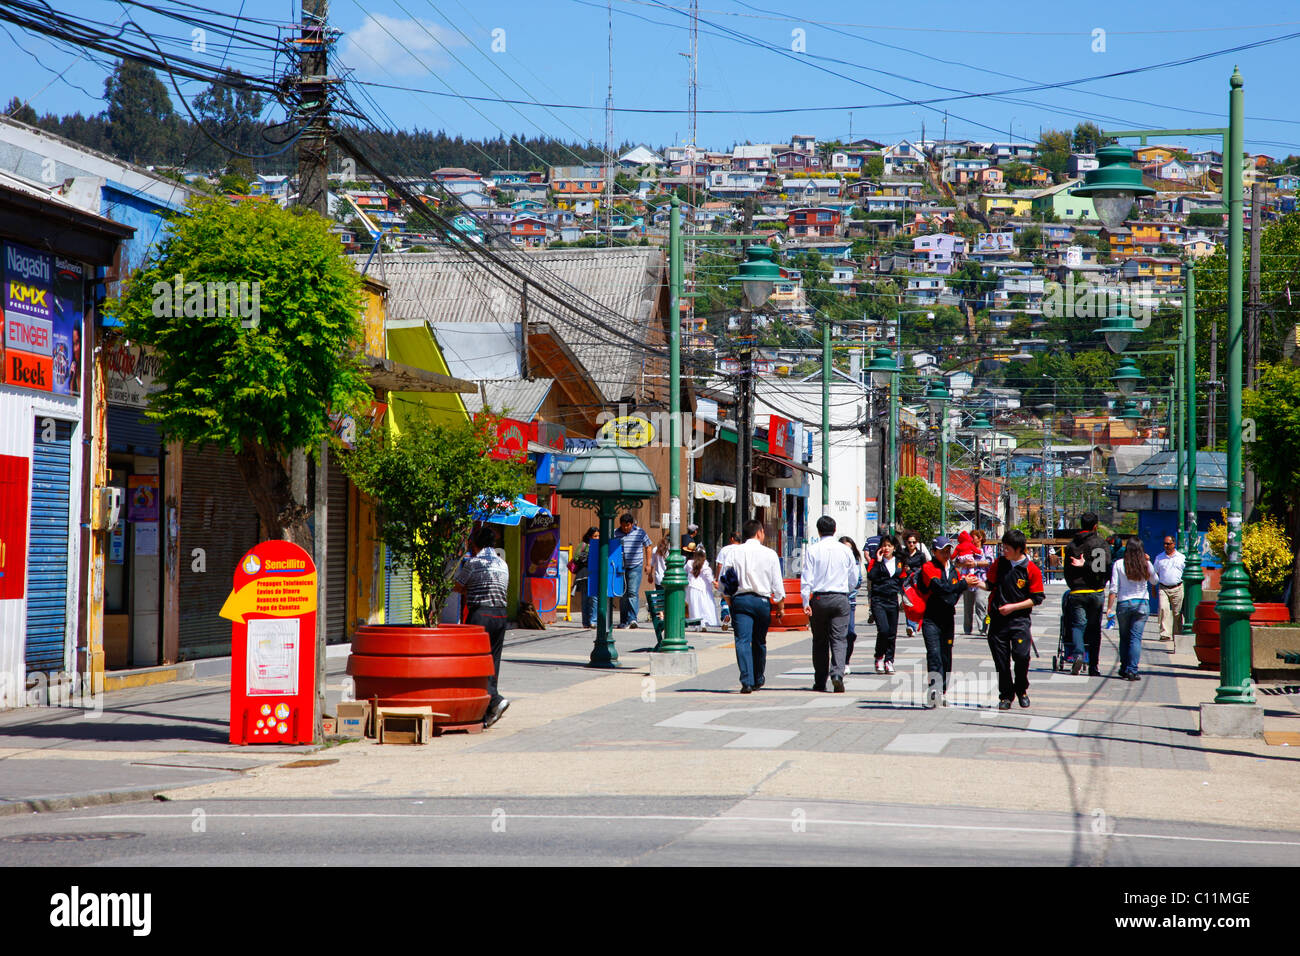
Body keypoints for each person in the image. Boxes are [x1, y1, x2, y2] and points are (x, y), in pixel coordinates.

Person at [977, 529, 1045, 710]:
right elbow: (989, 585)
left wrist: (1013, 607)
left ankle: (1021, 689)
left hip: (1019, 621)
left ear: (1019, 549)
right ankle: (1006, 696)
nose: (1003, 551)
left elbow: (1036, 598)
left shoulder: (1031, 570)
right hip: (998, 620)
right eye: (1003, 547)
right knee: (1001, 661)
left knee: (1021, 656)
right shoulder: (999, 564)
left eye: (1007, 548)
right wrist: (976, 583)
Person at [453, 525, 512, 729]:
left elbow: (458, 585)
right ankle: (489, 707)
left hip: (481, 615)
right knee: (493, 661)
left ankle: (494, 700)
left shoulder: (474, 562)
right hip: (501, 615)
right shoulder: (502, 563)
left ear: (474, 544)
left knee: (476, 661)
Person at [800, 516, 859, 693]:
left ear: (818, 531)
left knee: (819, 641)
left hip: (819, 599)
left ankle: (820, 681)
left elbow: (806, 578)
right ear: (835, 530)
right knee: (839, 639)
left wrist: (805, 601)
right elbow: (853, 577)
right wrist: (847, 590)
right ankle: (837, 674)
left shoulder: (812, 550)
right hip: (840, 598)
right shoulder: (845, 550)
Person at [917, 536, 977, 707]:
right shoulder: (928, 568)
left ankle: (942, 691)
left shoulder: (954, 572)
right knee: (934, 654)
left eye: (948, 550)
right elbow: (941, 589)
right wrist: (962, 585)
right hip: (931, 619)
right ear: (934, 552)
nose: (946, 554)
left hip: (947, 619)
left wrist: (959, 586)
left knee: (946, 656)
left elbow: (952, 596)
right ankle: (933, 689)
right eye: (942, 551)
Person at [729, 518, 786, 693]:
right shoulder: (769, 554)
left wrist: (731, 603)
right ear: (759, 533)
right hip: (762, 601)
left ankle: (746, 680)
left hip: (740, 600)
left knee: (742, 641)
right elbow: (778, 585)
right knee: (759, 641)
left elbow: (726, 584)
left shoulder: (734, 553)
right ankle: (758, 678)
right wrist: (780, 607)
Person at [1064, 512, 1112, 676]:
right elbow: (1103, 566)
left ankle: (1078, 654)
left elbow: (1067, 570)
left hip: (1077, 590)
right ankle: (1093, 666)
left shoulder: (1072, 545)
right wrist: (1103, 582)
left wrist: (1073, 585)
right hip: (1095, 591)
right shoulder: (1100, 543)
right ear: (1095, 526)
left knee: (1078, 625)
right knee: (1094, 629)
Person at [1106, 537, 1158, 681]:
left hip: (1123, 603)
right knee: (1135, 638)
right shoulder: (1146, 564)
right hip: (1142, 604)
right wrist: (1149, 561)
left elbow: (1113, 588)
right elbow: (1155, 580)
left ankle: (1123, 668)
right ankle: (1132, 670)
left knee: (1124, 638)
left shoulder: (1118, 564)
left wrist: (1109, 608)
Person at [867, 535, 908, 674]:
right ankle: (879, 656)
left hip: (892, 600)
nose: (886, 548)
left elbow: (903, 579)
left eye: (889, 546)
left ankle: (889, 660)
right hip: (878, 600)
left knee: (892, 632)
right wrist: (878, 562)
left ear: (894, 548)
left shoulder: (899, 562)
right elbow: (871, 576)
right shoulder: (875, 561)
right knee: (883, 630)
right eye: (884, 545)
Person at [613, 513, 653, 628]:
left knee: (632, 592)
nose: (625, 528)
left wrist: (648, 564)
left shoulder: (640, 532)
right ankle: (623, 620)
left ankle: (632, 619)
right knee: (622, 594)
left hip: (635, 566)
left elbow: (648, 546)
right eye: (623, 525)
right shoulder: (615, 533)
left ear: (632, 524)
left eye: (628, 525)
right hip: (620, 568)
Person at [958, 529, 994, 635]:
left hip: (981, 580)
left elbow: (989, 561)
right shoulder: (966, 548)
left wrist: (976, 564)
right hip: (968, 580)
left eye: (973, 537)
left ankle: (983, 629)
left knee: (980, 603)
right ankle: (967, 629)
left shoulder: (987, 548)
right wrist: (965, 564)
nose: (971, 539)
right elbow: (957, 562)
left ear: (980, 538)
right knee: (967, 606)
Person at [1153, 535, 1186, 642]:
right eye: (1164, 544)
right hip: (1163, 588)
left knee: (1177, 612)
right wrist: (1153, 588)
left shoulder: (1181, 558)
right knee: (1163, 609)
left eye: (1168, 544)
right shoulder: (1159, 558)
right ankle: (1165, 634)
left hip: (1177, 587)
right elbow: (1154, 574)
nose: (1166, 546)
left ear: (1174, 544)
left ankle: (1177, 633)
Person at [839, 536, 864, 672]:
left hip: (850, 602)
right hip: (837, 600)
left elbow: (858, 581)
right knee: (837, 634)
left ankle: (846, 661)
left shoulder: (855, 562)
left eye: (850, 549)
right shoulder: (836, 562)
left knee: (850, 633)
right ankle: (838, 662)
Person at [900, 531, 930, 636]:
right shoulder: (903, 554)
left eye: (914, 542)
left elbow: (924, 568)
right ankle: (911, 626)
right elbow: (901, 567)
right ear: (906, 542)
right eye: (909, 542)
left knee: (915, 604)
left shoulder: (920, 555)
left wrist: (910, 571)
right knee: (908, 604)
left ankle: (914, 624)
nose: (911, 544)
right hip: (906, 583)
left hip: (917, 583)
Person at [685, 544, 720, 629]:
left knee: (694, 606)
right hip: (702, 589)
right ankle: (704, 622)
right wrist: (715, 583)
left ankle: (696, 622)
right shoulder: (705, 566)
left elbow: (684, 571)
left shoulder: (689, 563)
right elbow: (709, 578)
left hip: (691, 587)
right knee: (704, 606)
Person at [573, 526, 598, 628]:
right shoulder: (584, 545)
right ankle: (585, 622)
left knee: (594, 598)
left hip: (596, 574)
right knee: (585, 599)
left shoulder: (601, 546)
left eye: (598, 536)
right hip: (584, 575)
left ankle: (593, 621)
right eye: (595, 536)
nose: (597, 538)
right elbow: (576, 558)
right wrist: (587, 554)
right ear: (590, 536)